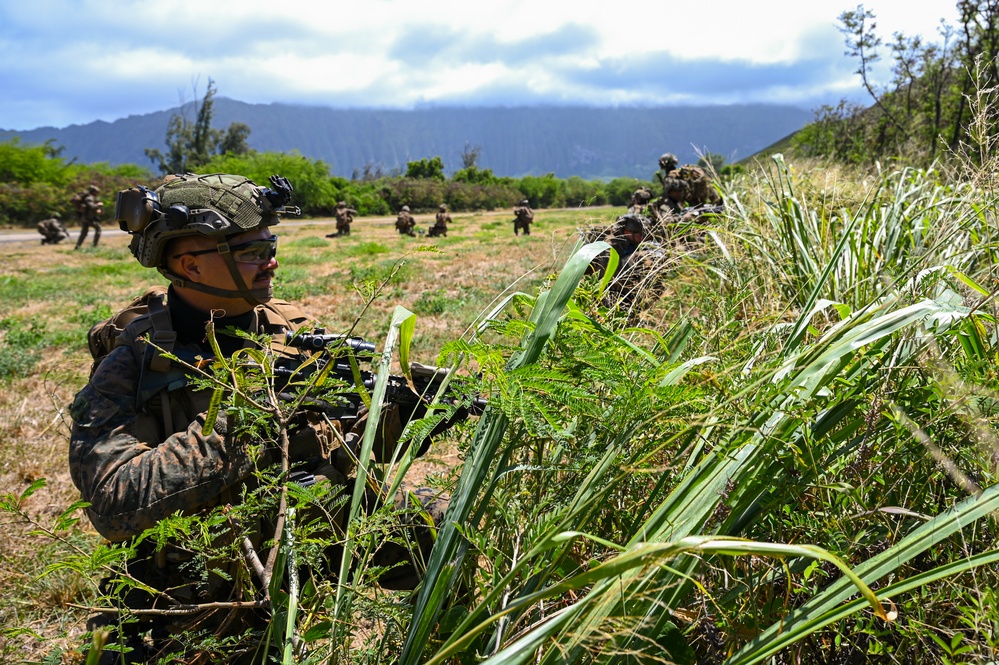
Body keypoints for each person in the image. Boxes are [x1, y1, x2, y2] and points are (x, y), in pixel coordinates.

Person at [69, 173, 459, 662]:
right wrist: (249, 418)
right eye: (251, 251)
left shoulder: (288, 330)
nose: (271, 261)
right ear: (190, 264)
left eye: (270, 245)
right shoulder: (132, 363)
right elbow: (115, 503)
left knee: (443, 527)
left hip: (306, 527)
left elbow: (346, 445)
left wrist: (408, 418)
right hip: (200, 567)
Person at [74, 184, 104, 250]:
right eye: (96, 192)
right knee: (98, 229)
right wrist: (98, 205)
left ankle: (77, 246)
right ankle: (94, 246)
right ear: (93, 191)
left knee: (84, 233)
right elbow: (92, 207)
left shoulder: (89, 198)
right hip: (89, 218)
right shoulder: (89, 198)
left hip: (85, 217)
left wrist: (97, 210)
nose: (97, 193)